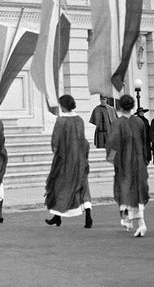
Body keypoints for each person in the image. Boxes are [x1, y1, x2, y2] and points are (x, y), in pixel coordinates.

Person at [44, 94, 92, 228]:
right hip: (80, 157)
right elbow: (83, 139)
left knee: (59, 186)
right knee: (82, 185)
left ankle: (57, 215)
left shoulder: (61, 121)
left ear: (63, 106)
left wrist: (57, 153)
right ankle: (88, 216)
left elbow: (56, 142)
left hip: (65, 159)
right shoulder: (79, 120)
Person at [107, 94, 150, 237]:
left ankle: (140, 223)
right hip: (138, 161)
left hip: (124, 162)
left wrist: (112, 158)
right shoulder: (139, 122)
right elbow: (144, 142)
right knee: (136, 190)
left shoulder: (118, 123)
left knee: (126, 191)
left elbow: (113, 143)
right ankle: (127, 219)